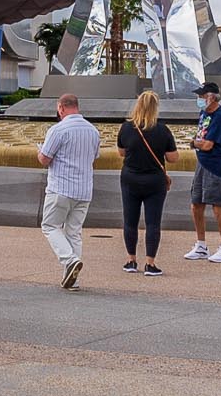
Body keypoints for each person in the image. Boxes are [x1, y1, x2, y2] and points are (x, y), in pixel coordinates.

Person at [37, 92, 100, 288]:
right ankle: (72, 279)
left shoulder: (58, 130)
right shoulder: (93, 131)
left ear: (61, 108)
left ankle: (69, 260)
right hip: (84, 189)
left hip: (61, 188)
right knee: (74, 232)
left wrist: (39, 151)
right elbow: (94, 156)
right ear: (77, 106)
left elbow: (44, 159)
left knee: (50, 226)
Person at [115, 87, 177, 274]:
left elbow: (121, 152)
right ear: (155, 108)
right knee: (153, 223)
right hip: (154, 181)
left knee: (130, 221)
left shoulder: (126, 128)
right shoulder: (162, 129)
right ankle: (150, 263)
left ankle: (131, 260)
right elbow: (173, 158)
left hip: (130, 179)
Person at [183, 82, 221, 262]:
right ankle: (201, 245)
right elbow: (202, 141)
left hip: (217, 166)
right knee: (196, 204)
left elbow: (206, 144)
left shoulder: (220, 117)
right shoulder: (204, 113)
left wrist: (194, 143)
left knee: (217, 207)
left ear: (211, 97)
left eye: (201, 96)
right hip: (203, 164)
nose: (198, 99)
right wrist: (198, 143)